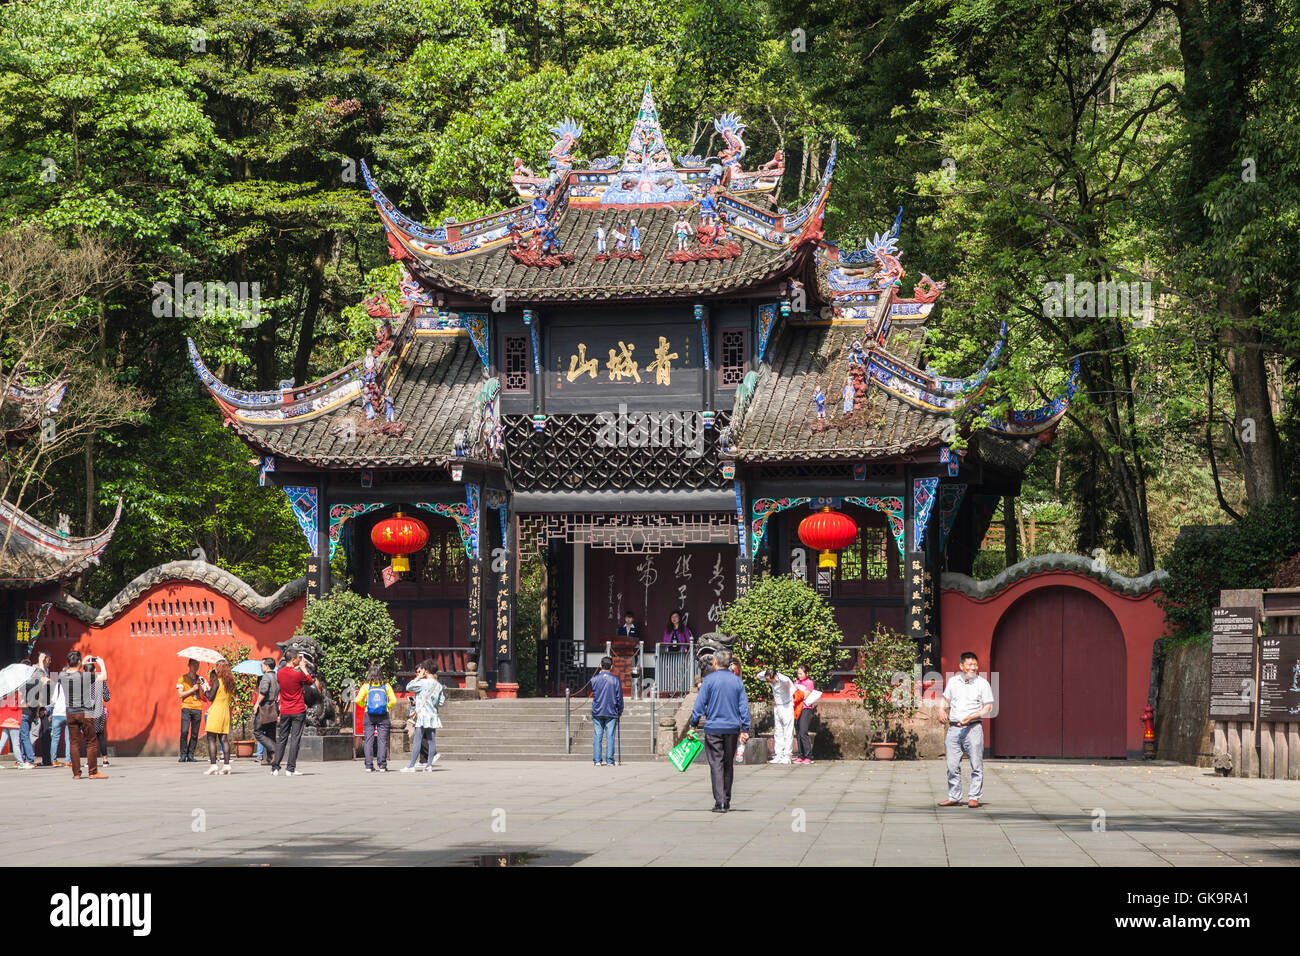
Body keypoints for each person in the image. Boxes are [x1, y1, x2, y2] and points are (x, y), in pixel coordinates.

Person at [689, 649, 750, 812]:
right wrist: (745, 728)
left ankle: (720, 801)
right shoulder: (737, 681)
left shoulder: (708, 681)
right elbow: (744, 706)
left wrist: (692, 725)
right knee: (728, 763)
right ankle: (727, 798)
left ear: (715, 662)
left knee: (716, 763)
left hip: (713, 727)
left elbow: (699, 705)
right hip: (731, 727)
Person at [938, 651, 995, 808]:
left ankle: (974, 797)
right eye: (970, 664)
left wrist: (972, 717)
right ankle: (954, 796)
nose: (973, 667)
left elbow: (988, 707)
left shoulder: (982, 684)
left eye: (975, 664)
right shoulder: (953, 682)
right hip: (954, 729)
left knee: (976, 765)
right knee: (951, 765)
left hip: (973, 728)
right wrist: (941, 709)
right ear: (961, 666)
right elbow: (945, 698)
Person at [272, 648, 321, 776]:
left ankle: (275, 767)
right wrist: (303, 668)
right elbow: (310, 681)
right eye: (298, 659)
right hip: (298, 710)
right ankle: (290, 768)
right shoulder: (298, 674)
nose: (300, 661)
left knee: (282, 738)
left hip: (285, 710)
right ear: (293, 660)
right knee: (295, 739)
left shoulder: (280, 673)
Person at [60, 650, 106, 779]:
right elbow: (104, 677)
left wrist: (81, 663)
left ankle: (76, 774)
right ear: (79, 662)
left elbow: (69, 670)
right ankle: (92, 772)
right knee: (91, 742)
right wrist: (102, 664)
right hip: (85, 711)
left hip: (70, 712)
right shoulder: (85, 676)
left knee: (74, 743)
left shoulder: (62, 675)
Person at [402, 661, 446, 771]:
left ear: (426, 671)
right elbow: (441, 702)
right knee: (431, 741)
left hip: (422, 715)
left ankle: (411, 765)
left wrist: (418, 678)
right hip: (432, 715)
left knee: (417, 740)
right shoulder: (439, 686)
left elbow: (409, 687)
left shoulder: (423, 683)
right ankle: (429, 765)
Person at [354, 663, 397, 773]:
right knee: (382, 740)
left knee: (368, 740)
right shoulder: (386, 685)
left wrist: (366, 706)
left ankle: (369, 765)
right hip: (383, 715)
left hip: (369, 714)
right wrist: (386, 706)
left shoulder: (366, 686)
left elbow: (358, 699)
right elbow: (394, 701)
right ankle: (382, 765)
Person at [756, 667, 795, 764]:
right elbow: (758, 676)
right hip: (777, 707)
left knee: (788, 732)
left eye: (771, 680)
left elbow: (787, 680)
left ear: (775, 677)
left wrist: (777, 675)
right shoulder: (770, 679)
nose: (770, 682)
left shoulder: (783, 681)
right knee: (778, 731)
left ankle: (787, 755)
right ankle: (779, 754)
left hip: (787, 706)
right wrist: (768, 672)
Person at [202, 660, 235, 775]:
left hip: (216, 711)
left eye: (216, 667)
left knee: (211, 738)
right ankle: (226, 764)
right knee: (224, 739)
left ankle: (213, 765)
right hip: (225, 711)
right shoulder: (230, 683)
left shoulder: (217, 682)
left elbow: (210, 697)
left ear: (219, 669)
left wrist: (205, 689)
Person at [590, 656, 623, 766]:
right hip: (611, 710)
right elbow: (619, 698)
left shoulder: (594, 679)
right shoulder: (615, 680)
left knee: (597, 736)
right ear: (611, 667)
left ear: (600, 665)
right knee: (610, 737)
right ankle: (609, 760)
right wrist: (620, 710)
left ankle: (597, 760)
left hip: (598, 710)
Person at [251, 658, 278, 766]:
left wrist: (257, 704)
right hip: (273, 707)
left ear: (267, 666)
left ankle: (275, 749)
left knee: (258, 731)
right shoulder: (276, 676)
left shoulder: (266, 677)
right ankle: (270, 758)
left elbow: (263, 691)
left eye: (262, 665)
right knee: (270, 732)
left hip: (265, 707)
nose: (261, 667)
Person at [177, 658, 205, 762]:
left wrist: (200, 687)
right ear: (189, 665)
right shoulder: (182, 678)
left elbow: (202, 696)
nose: (196, 666)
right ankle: (183, 754)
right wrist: (192, 690)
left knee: (194, 733)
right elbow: (180, 695)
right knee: (184, 731)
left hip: (197, 707)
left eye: (197, 664)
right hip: (186, 707)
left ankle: (191, 754)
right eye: (194, 664)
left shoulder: (200, 679)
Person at [792, 665, 820, 764]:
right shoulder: (796, 682)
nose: (798, 675)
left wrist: (797, 694)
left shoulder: (809, 683)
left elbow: (805, 695)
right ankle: (801, 755)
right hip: (796, 709)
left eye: (801, 673)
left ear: (806, 674)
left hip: (805, 709)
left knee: (803, 731)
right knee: (798, 732)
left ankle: (809, 756)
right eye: (798, 673)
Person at [0, 690, 29, 767]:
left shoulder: (3, 694)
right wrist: (24, 702)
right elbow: (16, 706)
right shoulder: (14, 694)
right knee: (16, 744)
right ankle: (21, 763)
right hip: (13, 721)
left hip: (5, 720)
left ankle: (20, 763)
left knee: (2, 743)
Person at [48, 674, 70, 768]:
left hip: (57, 714)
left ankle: (53, 760)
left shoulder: (58, 685)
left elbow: (53, 700)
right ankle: (68, 761)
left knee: (55, 738)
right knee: (68, 739)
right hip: (68, 714)